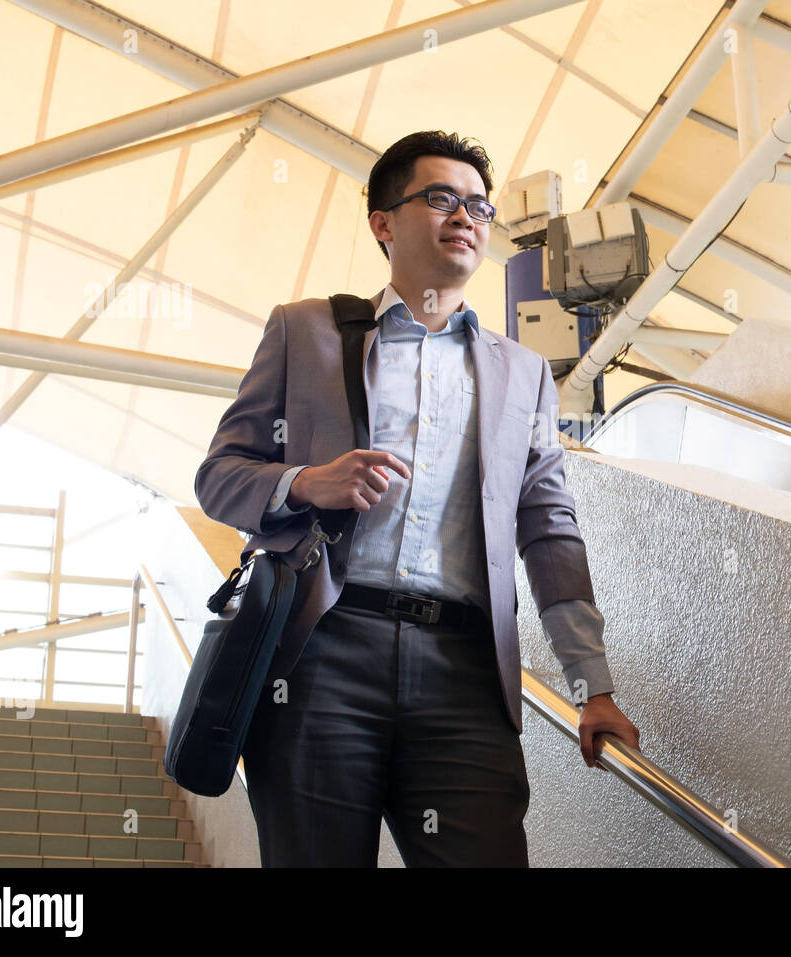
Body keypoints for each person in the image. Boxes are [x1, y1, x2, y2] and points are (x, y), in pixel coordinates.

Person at [194, 130, 639, 866]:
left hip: (463, 675)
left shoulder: (522, 374)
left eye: (479, 206)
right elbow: (219, 474)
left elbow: (551, 531)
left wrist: (591, 683)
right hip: (321, 658)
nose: (466, 216)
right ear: (384, 222)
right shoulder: (306, 331)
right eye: (441, 198)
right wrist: (304, 482)